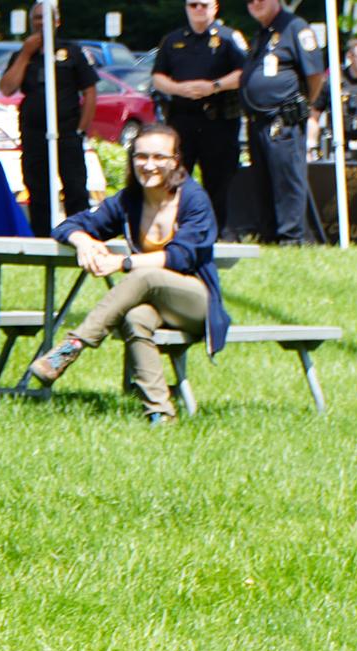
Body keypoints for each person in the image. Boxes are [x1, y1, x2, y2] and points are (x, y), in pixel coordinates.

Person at [28, 124, 230, 426]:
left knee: (143, 276)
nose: (149, 165)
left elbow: (182, 256)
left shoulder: (193, 199)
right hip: (154, 301)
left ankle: (73, 346)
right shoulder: (128, 201)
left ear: (176, 161)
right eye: (141, 156)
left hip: (196, 301)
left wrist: (121, 263)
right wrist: (83, 240)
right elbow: (67, 225)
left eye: (159, 157)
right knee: (136, 318)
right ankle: (160, 412)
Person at [0, 2, 97, 238]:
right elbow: (7, 88)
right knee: (37, 188)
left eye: (46, 18)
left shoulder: (72, 52)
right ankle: (42, 237)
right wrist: (25, 53)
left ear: (57, 22)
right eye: (36, 18)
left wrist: (81, 129)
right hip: (34, 135)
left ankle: (80, 235)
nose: (41, 23)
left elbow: (90, 92)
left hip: (66, 133)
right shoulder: (22, 53)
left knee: (74, 187)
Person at [151, 0, 247, 235]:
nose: (198, 10)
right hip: (182, 120)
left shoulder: (229, 38)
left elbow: (245, 72)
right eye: (193, 5)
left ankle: (217, 232)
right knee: (176, 178)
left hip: (218, 120)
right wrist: (178, 88)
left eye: (203, 5)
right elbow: (157, 77)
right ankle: (175, 230)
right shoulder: (172, 40)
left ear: (215, 7)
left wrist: (214, 86)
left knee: (219, 180)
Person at [240, 0, 325, 244]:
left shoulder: (295, 27)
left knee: (287, 181)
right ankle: (268, 236)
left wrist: (304, 103)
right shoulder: (262, 33)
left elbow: (315, 74)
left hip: (282, 119)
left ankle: (290, 237)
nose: (255, 3)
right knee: (263, 181)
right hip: (258, 121)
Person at [307, 37, 357, 159]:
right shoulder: (334, 81)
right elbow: (314, 115)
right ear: (350, 56)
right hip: (340, 147)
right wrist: (310, 146)